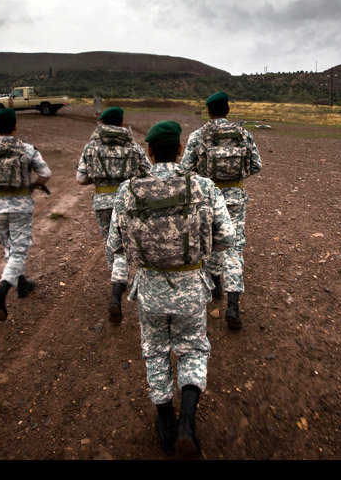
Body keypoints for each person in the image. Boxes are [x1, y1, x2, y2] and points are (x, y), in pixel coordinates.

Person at [107, 120, 235, 458]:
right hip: (192, 286)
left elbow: (114, 245)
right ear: (179, 150)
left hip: (149, 290)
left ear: (148, 151)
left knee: (155, 349)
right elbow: (227, 237)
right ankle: (187, 423)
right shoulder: (204, 187)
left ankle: (165, 419)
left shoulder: (128, 190)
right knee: (192, 349)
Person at [180, 91, 262, 331]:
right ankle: (233, 304)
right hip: (235, 199)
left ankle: (213, 286)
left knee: (207, 243)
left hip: (206, 200)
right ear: (228, 109)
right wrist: (237, 176)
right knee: (234, 248)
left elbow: (185, 169)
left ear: (208, 111)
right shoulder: (242, 134)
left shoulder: (198, 135)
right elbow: (257, 164)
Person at [0, 107, 51, 322]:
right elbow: (45, 173)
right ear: (16, 125)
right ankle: (1, 293)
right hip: (21, 204)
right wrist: (33, 185)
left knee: (8, 244)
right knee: (19, 250)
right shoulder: (26, 148)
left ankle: (21, 283)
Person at [76, 106, 151, 323]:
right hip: (128, 201)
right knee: (125, 246)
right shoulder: (134, 147)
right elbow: (147, 173)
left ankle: (116, 288)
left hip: (102, 202)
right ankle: (119, 289)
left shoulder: (91, 148)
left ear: (102, 123)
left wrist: (98, 179)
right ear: (121, 123)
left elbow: (80, 179)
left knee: (112, 245)